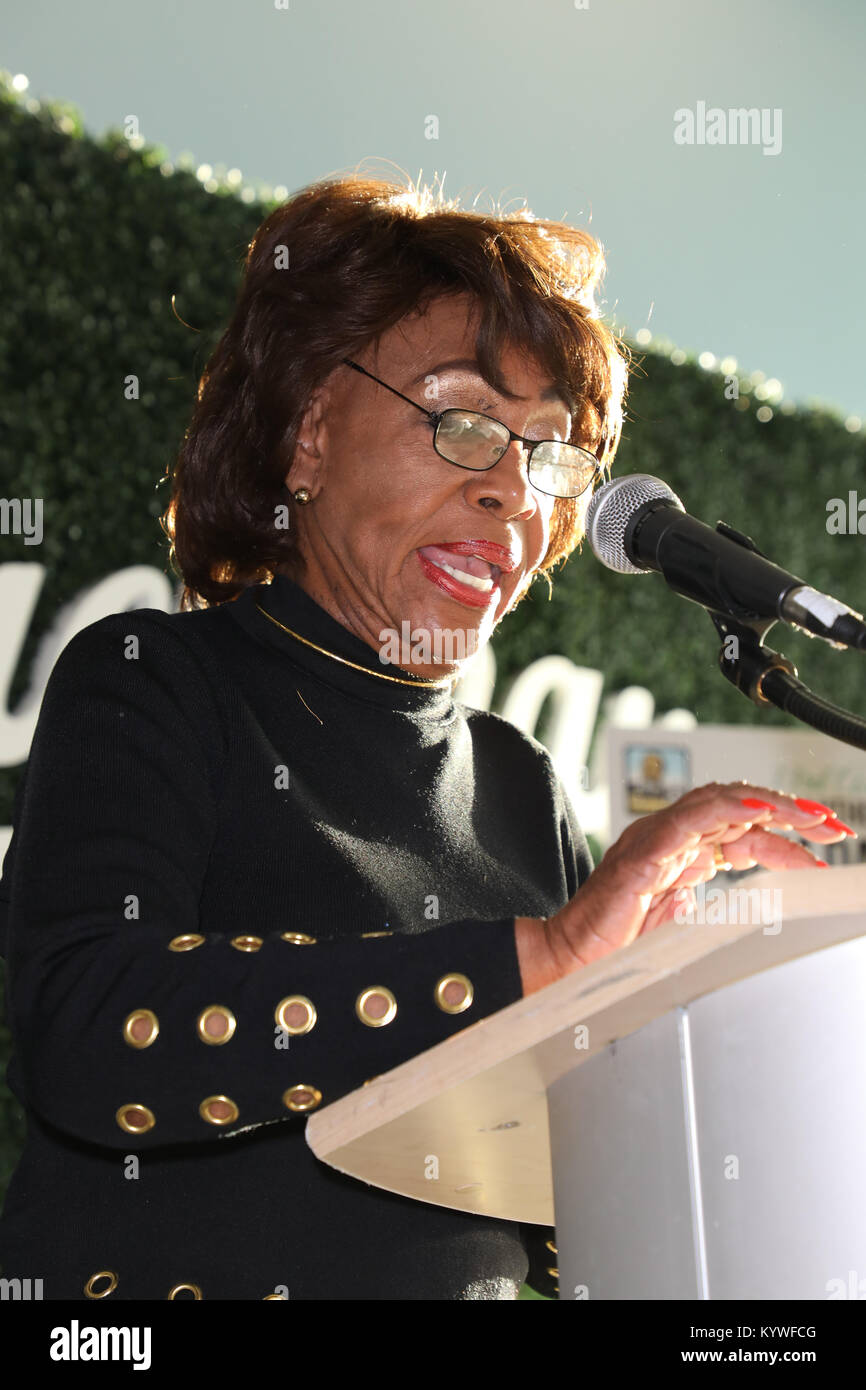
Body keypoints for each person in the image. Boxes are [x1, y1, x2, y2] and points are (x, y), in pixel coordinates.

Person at [0, 175, 849, 1301]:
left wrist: (727, 1028)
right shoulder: (156, 679)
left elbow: (572, 1209)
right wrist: (535, 961)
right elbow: (86, 1030)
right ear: (307, 434)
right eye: (459, 422)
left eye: (549, 453)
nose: (514, 491)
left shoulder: (519, 781)